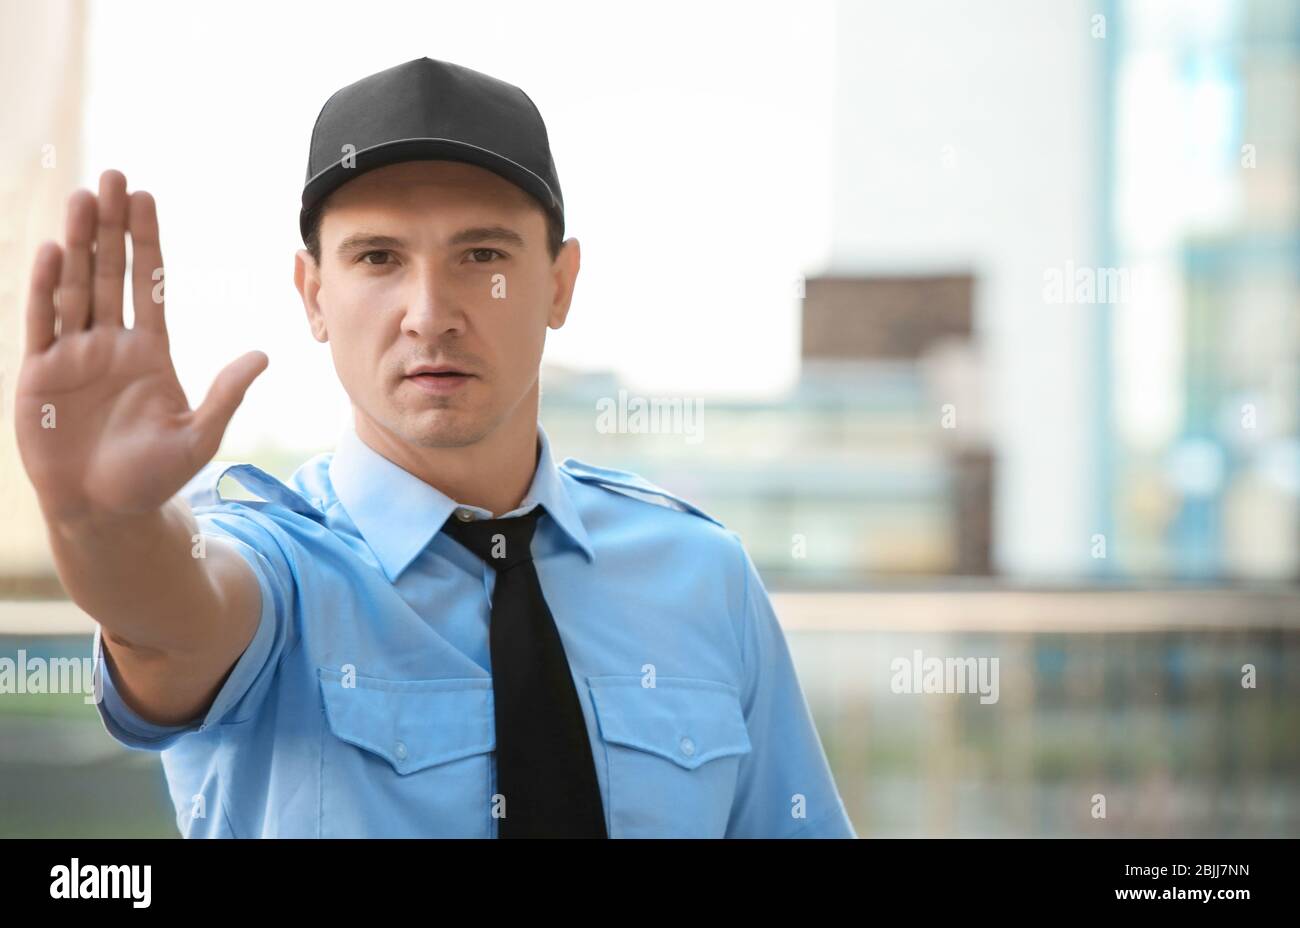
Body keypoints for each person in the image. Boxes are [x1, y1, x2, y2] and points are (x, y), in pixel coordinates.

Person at [15, 56, 855, 839]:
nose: (429, 314)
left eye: (482, 255)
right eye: (378, 257)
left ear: (559, 284)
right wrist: (102, 522)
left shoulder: (703, 575)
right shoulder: (279, 568)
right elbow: (167, 619)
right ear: (314, 296)